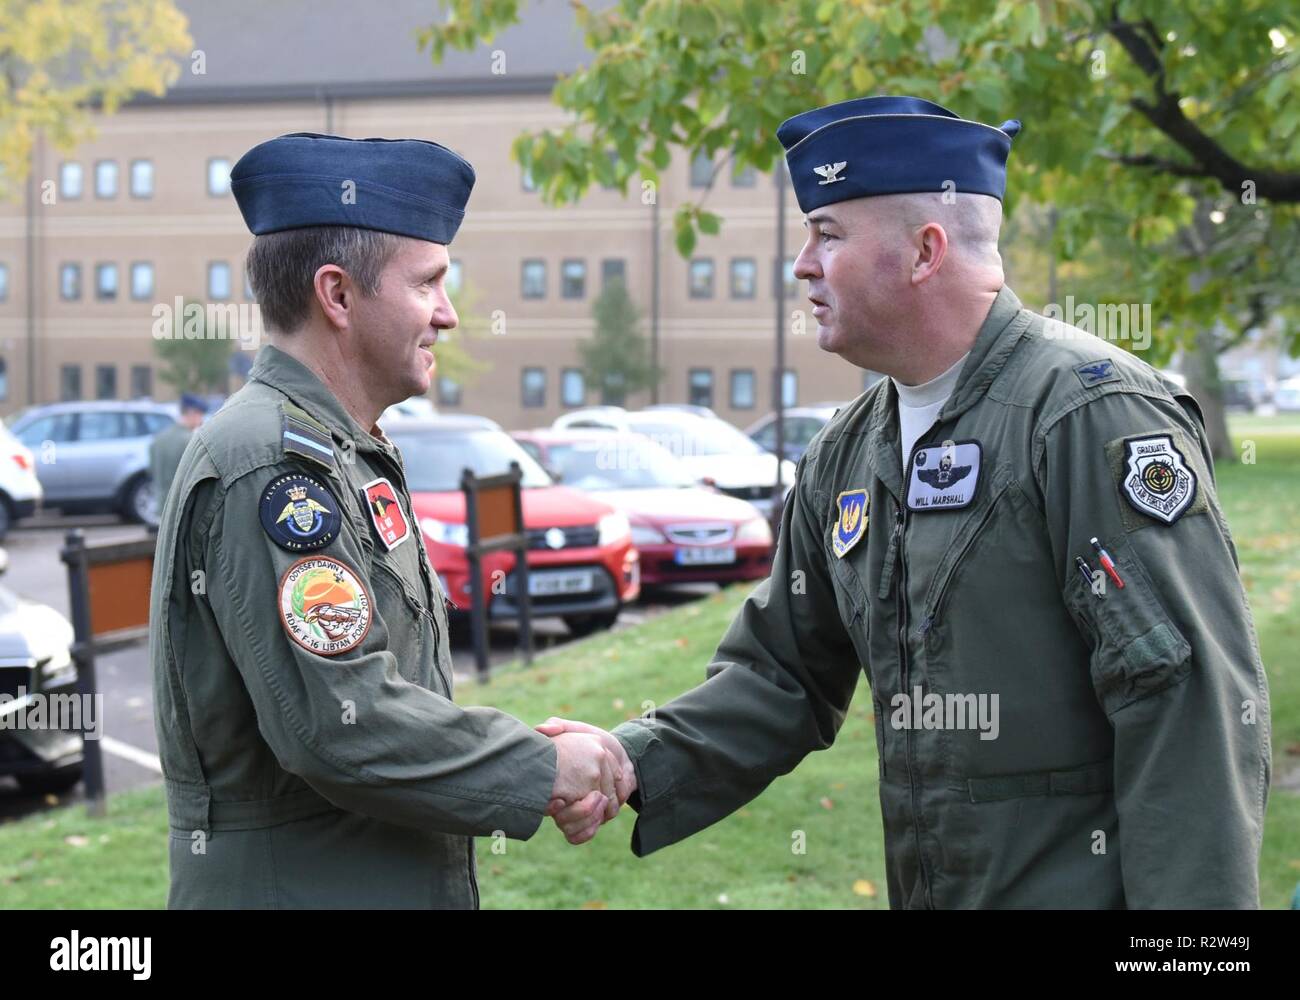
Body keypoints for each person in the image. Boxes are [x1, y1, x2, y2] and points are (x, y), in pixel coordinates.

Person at [542, 96, 1272, 908]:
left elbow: (1188, 708)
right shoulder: (847, 453)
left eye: (828, 234)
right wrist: (633, 755)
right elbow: (783, 674)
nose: (802, 266)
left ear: (925, 251)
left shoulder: (1088, 415)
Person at [147, 132, 624, 909]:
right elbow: (342, 723)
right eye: (429, 284)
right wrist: (541, 770)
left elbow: (385, 692)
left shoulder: (342, 450)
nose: (449, 315)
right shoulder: (276, 466)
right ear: (337, 296)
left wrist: (509, 750)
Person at [147, 393, 206, 527]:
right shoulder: (191, 440)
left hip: (160, 508)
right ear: (192, 413)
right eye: (200, 415)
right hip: (182, 510)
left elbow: (151, 471)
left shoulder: (158, 439)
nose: (201, 420)